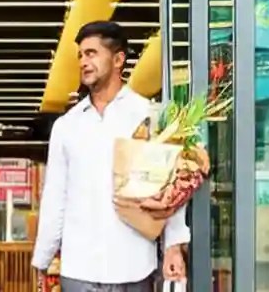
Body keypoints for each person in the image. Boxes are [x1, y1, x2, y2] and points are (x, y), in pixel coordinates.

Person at [32, 20, 191, 291]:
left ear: (118, 59)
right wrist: (42, 257)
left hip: (134, 266)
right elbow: (55, 197)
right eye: (81, 55)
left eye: (92, 53)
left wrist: (174, 245)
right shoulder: (67, 126)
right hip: (79, 270)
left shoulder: (149, 116)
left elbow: (171, 190)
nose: (83, 61)